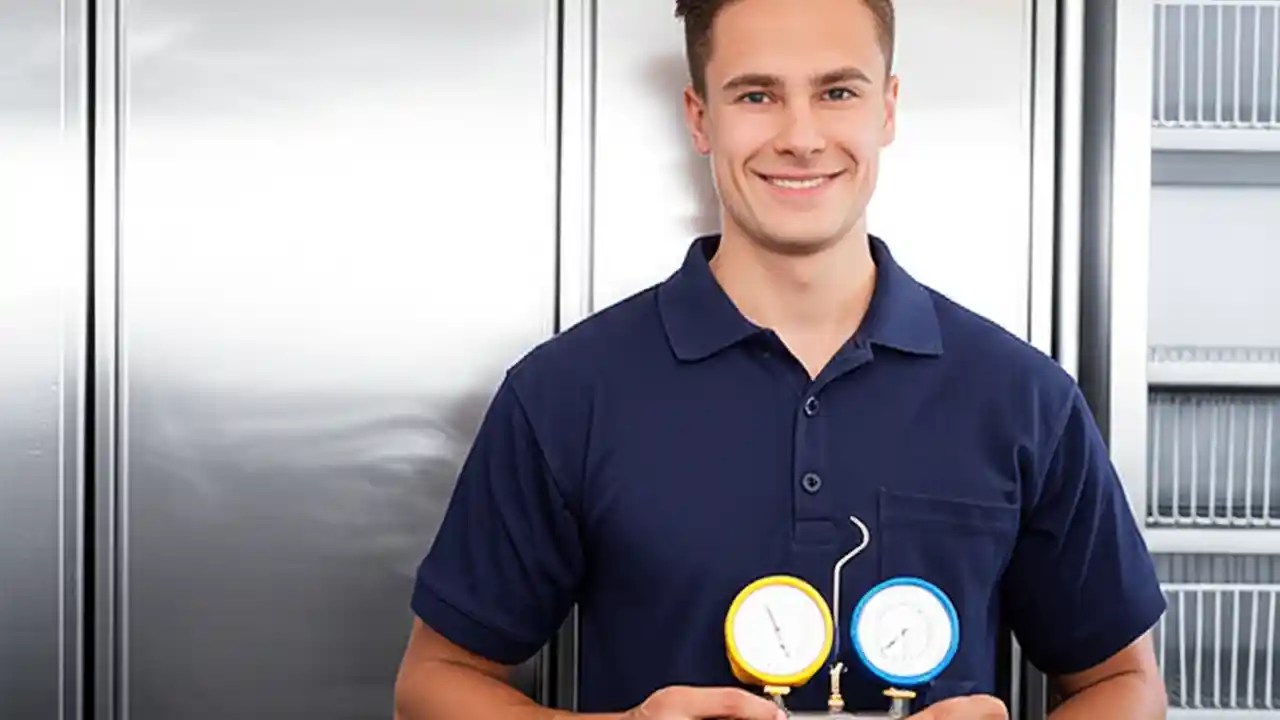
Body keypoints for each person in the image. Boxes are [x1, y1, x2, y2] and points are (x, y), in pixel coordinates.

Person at [393, 0, 1169, 717]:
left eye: (837, 92)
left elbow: (1124, 682)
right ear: (700, 117)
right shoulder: (565, 393)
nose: (800, 136)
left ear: (888, 108)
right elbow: (433, 684)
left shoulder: (1024, 396)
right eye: (756, 94)